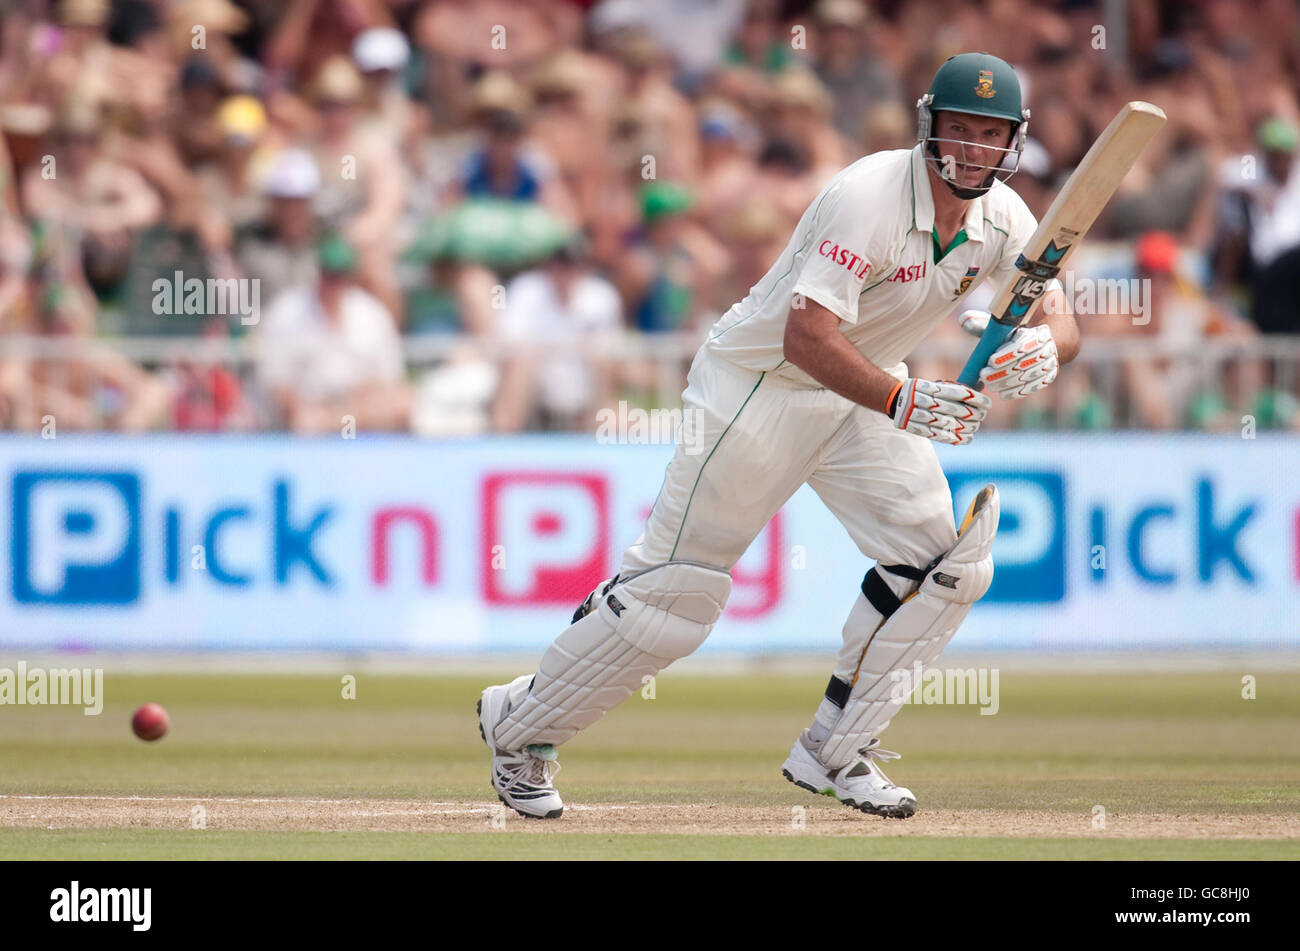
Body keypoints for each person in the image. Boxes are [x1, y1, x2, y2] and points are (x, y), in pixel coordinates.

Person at [476, 53, 1081, 819]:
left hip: (864, 391)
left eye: (989, 136)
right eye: (958, 130)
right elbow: (805, 338)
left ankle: (836, 749)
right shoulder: (867, 195)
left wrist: (1046, 348)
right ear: (929, 129)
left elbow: (1060, 315)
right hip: (760, 387)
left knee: (946, 566)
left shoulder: (1006, 217)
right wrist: (901, 398)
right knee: (673, 600)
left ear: (1012, 143)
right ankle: (519, 728)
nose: (972, 150)